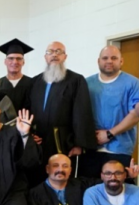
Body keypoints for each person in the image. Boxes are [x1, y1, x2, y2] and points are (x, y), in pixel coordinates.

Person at [26, 41, 97, 174]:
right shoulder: (35, 82)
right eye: (50, 52)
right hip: (38, 143)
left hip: (63, 142)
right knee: (38, 178)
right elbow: (27, 111)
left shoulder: (76, 80)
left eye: (59, 51)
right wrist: (30, 134)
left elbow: (82, 113)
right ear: (45, 57)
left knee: (62, 178)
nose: (54, 55)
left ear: (65, 57)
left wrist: (79, 144)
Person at [81, 45, 139, 179]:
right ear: (98, 61)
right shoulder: (87, 83)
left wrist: (109, 134)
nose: (109, 61)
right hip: (91, 148)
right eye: (105, 58)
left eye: (114, 58)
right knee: (90, 190)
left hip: (120, 148)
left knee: (117, 191)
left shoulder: (132, 83)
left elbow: (136, 115)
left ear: (121, 61)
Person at [0, 39, 35, 111]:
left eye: (19, 59)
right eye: (11, 58)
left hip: (27, 121)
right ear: (5, 62)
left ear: (23, 62)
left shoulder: (33, 83)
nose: (15, 62)